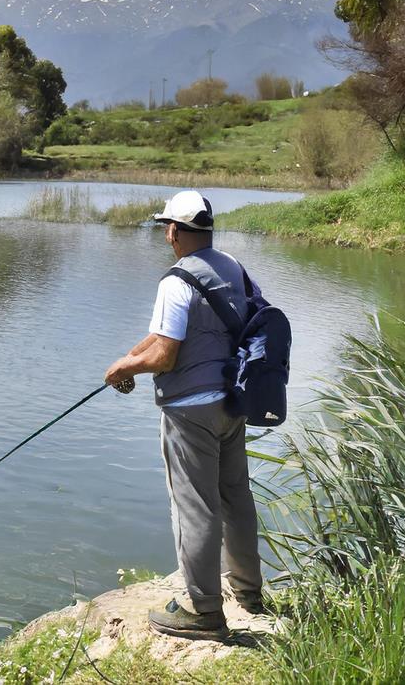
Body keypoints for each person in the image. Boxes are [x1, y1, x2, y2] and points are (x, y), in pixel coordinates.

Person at [103, 189, 265, 640]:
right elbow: (160, 335)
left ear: (173, 231)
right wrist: (131, 355)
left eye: (166, 228)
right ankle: (249, 592)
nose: (166, 235)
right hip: (232, 403)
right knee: (235, 496)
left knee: (194, 505)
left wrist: (123, 368)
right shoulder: (232, 266)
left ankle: (202, 610)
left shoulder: (175, 281)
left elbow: (168, 355)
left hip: (190, 411)